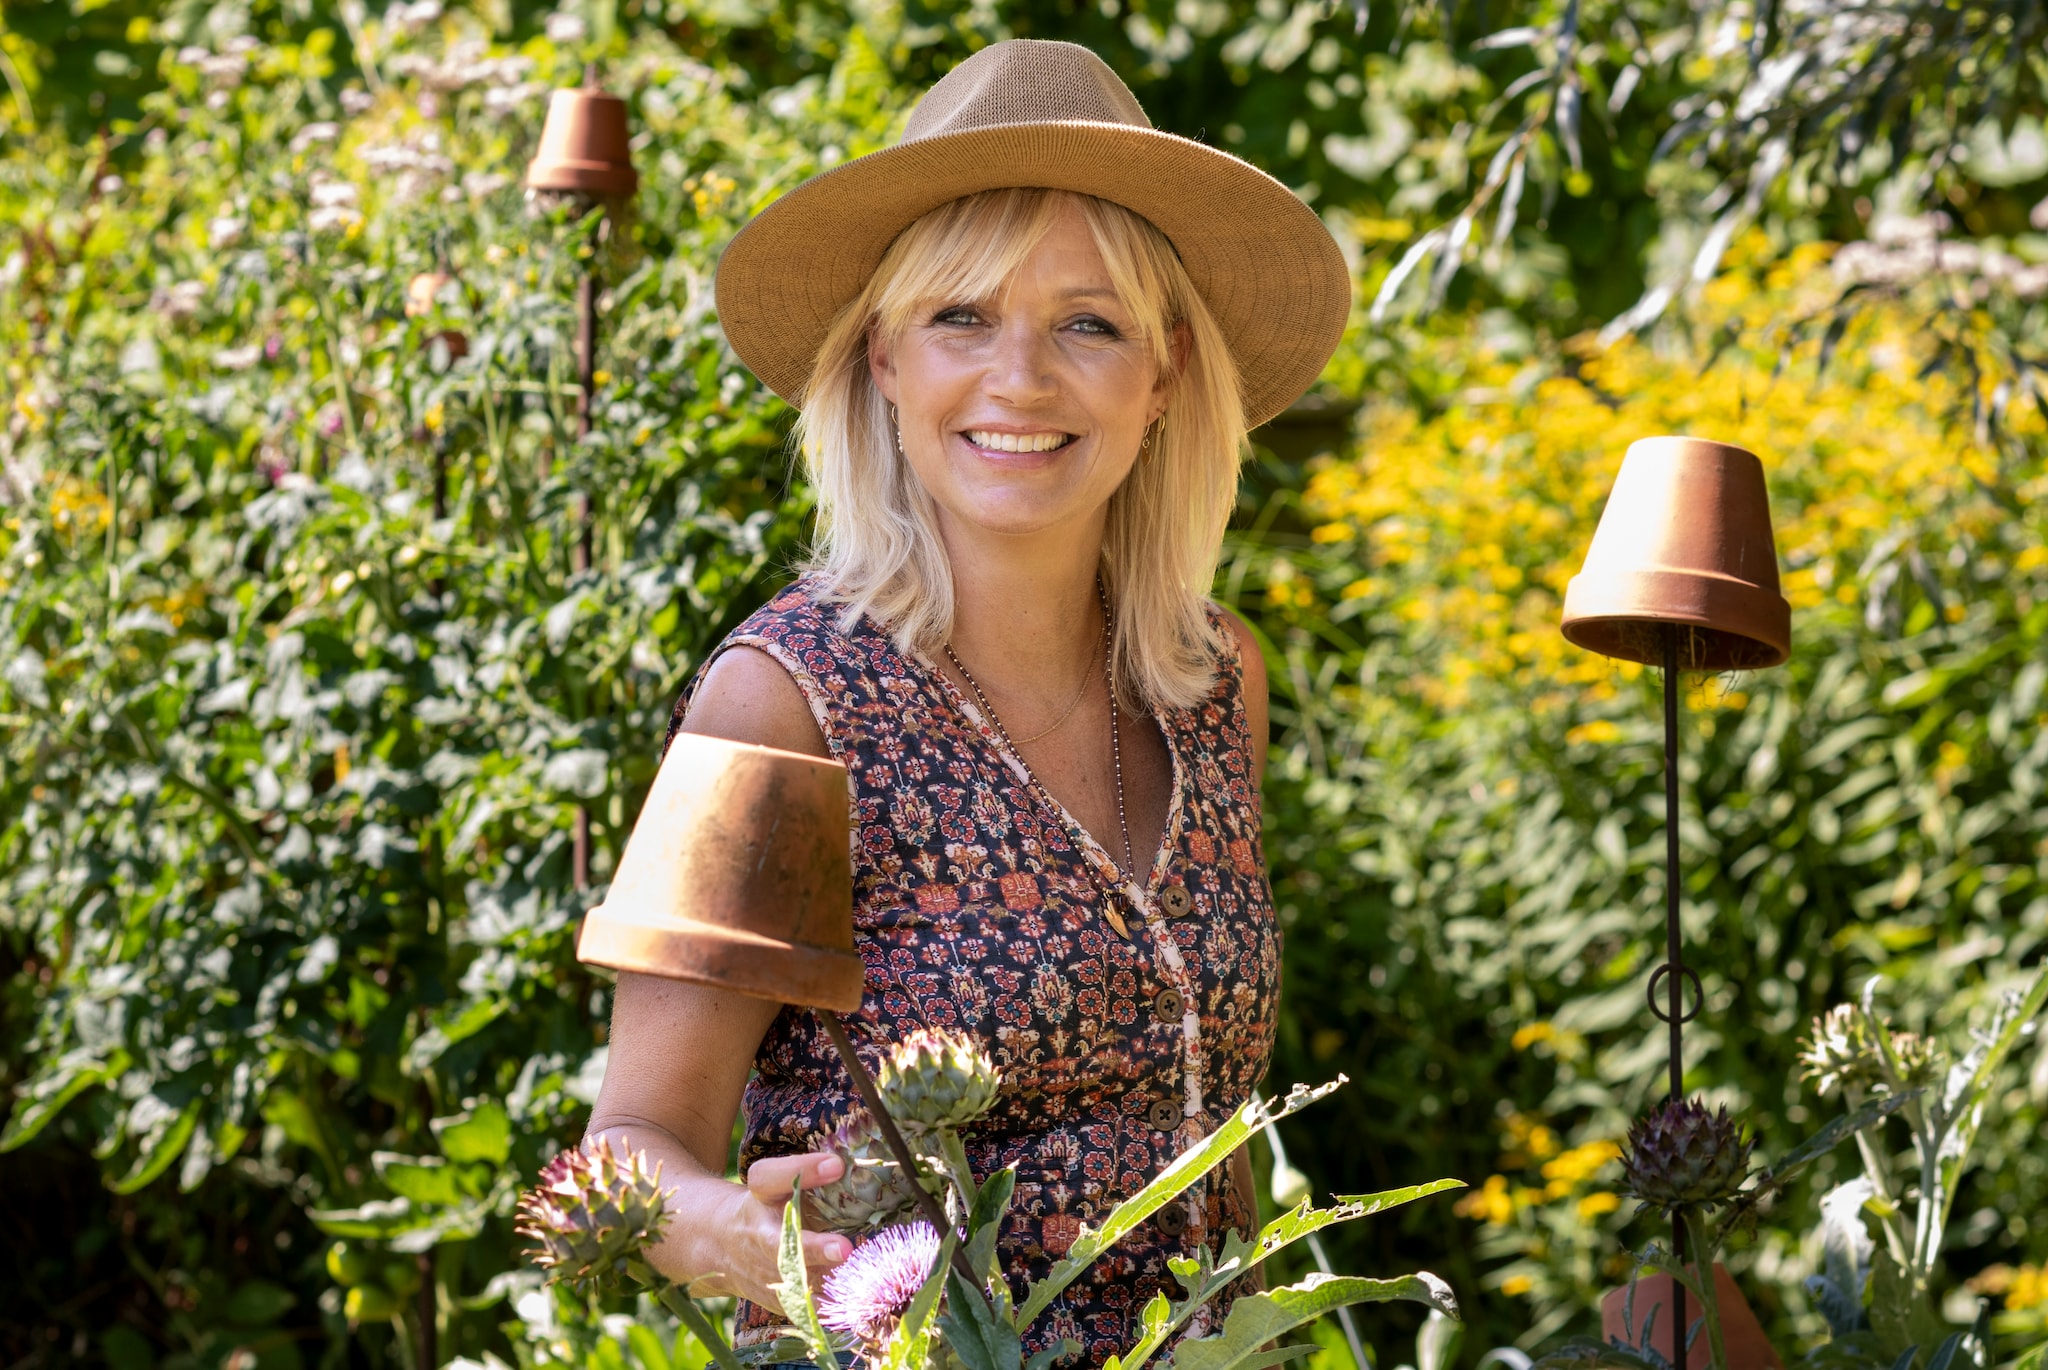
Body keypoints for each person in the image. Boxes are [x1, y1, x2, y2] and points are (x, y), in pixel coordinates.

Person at [584, 37, 1348, 1365]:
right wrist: (750, 1242)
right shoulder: (784, 700)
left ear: (1163, 373)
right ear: (884, 358)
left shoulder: (1219, 681)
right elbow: (630, 1148)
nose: (1023, 377)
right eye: (962, 317)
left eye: (1088, 323)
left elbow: (1208, 1118)